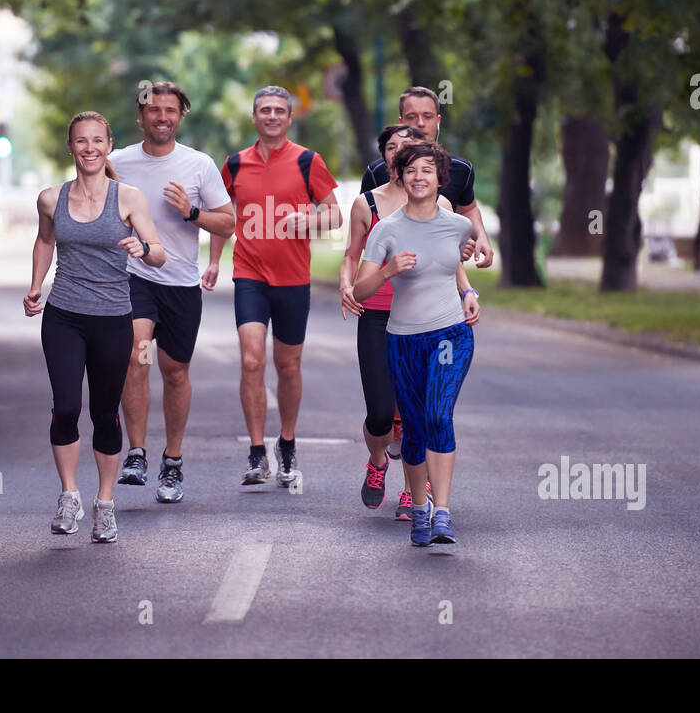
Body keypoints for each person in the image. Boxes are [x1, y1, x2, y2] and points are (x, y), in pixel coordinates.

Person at [24, 111, 165, 543]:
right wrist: (35, 287)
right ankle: (69, 495)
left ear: (108, 145)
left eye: (97, 141)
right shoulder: (51, 198)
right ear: (71, 147)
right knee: (66, 407)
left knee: (105, 413)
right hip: (64, 315)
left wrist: (142, 249)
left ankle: (105, 504)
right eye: (81, 141)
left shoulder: (129, 198)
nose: (89, 148)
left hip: (112, 319)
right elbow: (46, 239)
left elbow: (159, 252)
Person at [207, 85, 342, 487]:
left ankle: (286, 442)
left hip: (294, 280)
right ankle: (255, 452)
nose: (271, 116)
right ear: (254, 117)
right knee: (251, 361)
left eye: (279, 110)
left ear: (289, 117)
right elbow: (221, 218)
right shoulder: (233, 164)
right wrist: (214, 261)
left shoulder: (307, 161)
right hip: (249, 274)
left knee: (288, 365)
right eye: (264, 110)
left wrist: (310, 221)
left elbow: (335, 215)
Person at [107, 82, 236, 503]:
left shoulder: (198, 165)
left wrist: (192, 213)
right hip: (134, 275)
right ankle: (137, 453)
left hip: (180, 282)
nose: (162, 117)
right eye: (154, 110)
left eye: (171, 110)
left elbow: (228, 222)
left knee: (175, 371)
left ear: (181, 116)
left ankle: (173, 460)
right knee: (135, 355)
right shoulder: (118, 162)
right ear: (140, 116)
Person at [340, 125, 474, 518]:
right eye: (395, 150)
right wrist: (349, 285)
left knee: (423, 413)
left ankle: (417, 495)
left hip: (432, 320)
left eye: (412, 151)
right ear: (387, 159)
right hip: (379, 314)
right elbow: (352, 254)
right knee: (383, 414)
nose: (405, 159)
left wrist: (468, 292)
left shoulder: (445, 208)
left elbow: (450, 262)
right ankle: (378, 460)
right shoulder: (371, 207)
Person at [360, 86, 494, 268]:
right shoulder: (377, 172)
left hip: (444, 278)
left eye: (428, 116)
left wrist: (481, 238)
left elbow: (468, 209)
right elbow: (364, 235)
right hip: (390, 281)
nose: (420, 123)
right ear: (401, 122)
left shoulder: (461, 169)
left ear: (438, 120)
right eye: (411, 117)